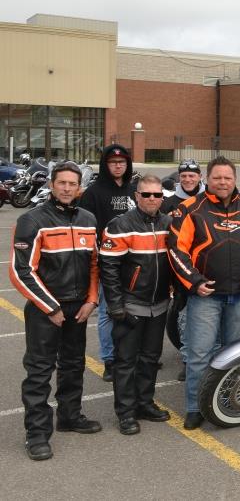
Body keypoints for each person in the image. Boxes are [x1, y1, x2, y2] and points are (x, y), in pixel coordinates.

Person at [168, 156, 240, 430]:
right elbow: (176, 249)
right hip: (205, 296)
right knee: (200, 355)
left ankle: (227, 401)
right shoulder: (189, 209)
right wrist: (194, 282)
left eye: (228, 177)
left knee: (234, 354)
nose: (223, 182)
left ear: (235, 179)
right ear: (208, 179)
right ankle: (194, 408)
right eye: (217, 177)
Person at [12, 162, 101, 460]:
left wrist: (91, 300)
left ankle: (69, 416)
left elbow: (93, 264)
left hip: (79, 307)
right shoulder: (32, 219)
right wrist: (51, 307)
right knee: (39, 371)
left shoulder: (89, 219)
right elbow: (21, 270)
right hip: (44, 309)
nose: (66, 188)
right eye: (61, 183)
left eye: (71, 184)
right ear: (51, 184)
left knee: (74, 364)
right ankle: (36, 435)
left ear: (79, 188)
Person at [99, 175, 173, 435]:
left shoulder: (168, 223)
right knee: (126, 361)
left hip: (160, 304)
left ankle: (144, 402)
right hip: (131, 304)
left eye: (157, 194)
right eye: (146, 194)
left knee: (151, 359)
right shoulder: (120, 225)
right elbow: (108, 268)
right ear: (136, 196)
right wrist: (116, 306)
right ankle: (126, 412)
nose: (152, 199)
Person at [79, 144, 135, 383]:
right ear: (105, 165)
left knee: (135, 309)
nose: (118, 165)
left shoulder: (135, 190)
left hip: (135, 261)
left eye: (122, 162)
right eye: (113, 162)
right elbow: (85, 228)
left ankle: (133, 353)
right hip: (107, 262)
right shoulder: (94, 192)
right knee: (107, 312)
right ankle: (110, 360)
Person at [160, 159, 204, 381]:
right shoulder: (169, 202)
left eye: (192, 175)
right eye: (184, 175)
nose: (188, 179)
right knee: (184, 318)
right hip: (180, 270)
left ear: (199, 177)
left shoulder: (208, 199)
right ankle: (188, 360)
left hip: (206, 269)